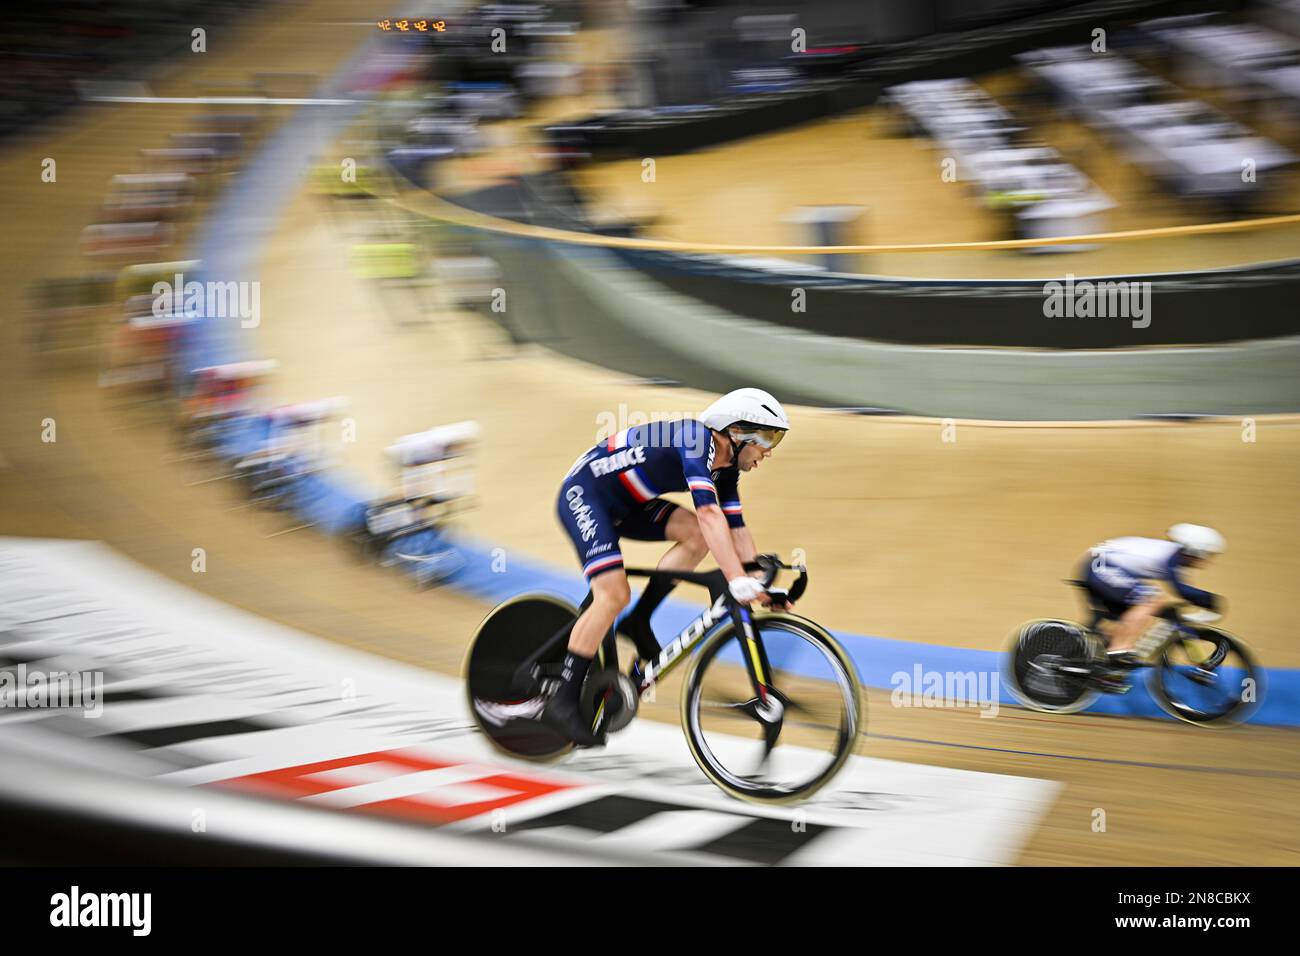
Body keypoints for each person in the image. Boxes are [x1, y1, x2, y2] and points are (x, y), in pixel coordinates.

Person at [545, 387, 791, 745]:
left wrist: (758, 583)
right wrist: (736, 579)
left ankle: (639, 618)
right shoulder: (695, 438)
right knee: (612, 595)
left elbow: (735, 527)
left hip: (627, 504)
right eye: (767, 438)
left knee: (698, 536)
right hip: (585, 494)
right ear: (736, 432)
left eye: (776, 440)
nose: (769, 451)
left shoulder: (725, 470)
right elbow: (709, 513)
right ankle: (561, 699)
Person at [1082, 523, 1225, 670]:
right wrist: (1212, 601)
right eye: (1208, 555)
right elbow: (1182, 591)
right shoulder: (1171, 558)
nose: (1207, 560)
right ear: (1196, 551)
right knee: (1152, 599)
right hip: (1102, 567)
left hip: (1100, 563)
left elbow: (1185, 590)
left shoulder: (1174, 556)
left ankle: (1105, 652)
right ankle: (1118, 650)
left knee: (1141, 605)